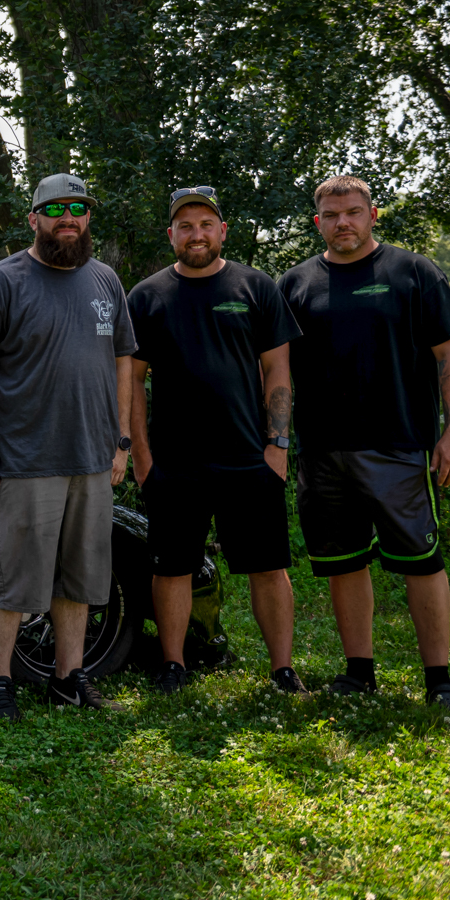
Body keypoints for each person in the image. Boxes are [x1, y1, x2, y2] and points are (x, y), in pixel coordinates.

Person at [277, 175, 450, 708]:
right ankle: (358, 672)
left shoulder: (413, 272)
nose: (344, 222)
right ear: (317, 222)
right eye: (332, 215)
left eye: (354, 212)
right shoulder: (294, 284)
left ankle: (440, 681)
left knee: (422, 561)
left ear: (373, 215)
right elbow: (276, 372)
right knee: (345, 563)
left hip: (400, 444)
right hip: (322, 450)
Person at [0, 173, 135, 721]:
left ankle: (68, 678)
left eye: (78, 208)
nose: (68, 217)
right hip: (25, 462)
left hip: (93, 460)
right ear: (34, 218)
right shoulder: (3, 281)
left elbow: (124, 360)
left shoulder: (105, 281)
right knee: (13, 579)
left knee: (79, 577)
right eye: (55, 208)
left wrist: (121, 441)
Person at [126, 187, 304, 695]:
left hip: (249, 457)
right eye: (186, 226)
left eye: (206, 224)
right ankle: (173, 665)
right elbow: (132, 382)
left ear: (222, 230)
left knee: (268, 567)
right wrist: (142, 457)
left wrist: (278, 446)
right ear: (172, 235)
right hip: (173, 462)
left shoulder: (256, 287)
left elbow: (278, 369)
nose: (196, 234)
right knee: (172, 567)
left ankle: (283, 669)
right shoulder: (147, 296)